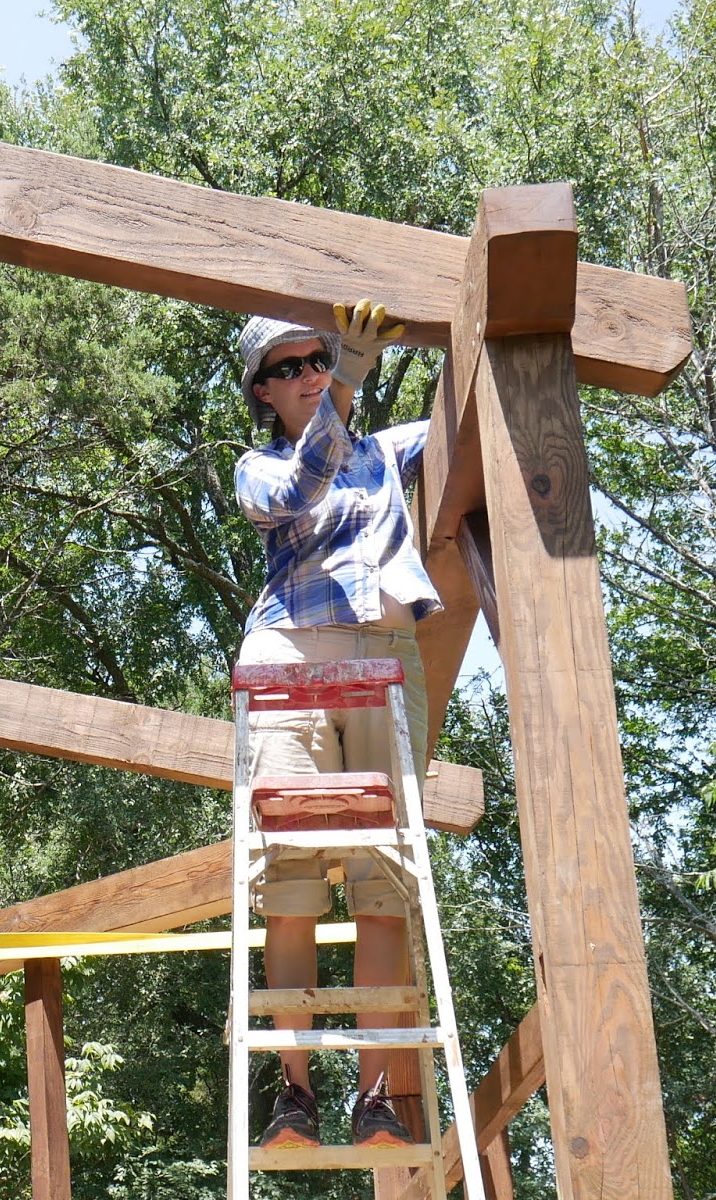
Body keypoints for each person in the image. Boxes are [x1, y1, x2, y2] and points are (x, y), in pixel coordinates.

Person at [233, 299, 439, 1148]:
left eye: (319, 356)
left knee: (384, 874)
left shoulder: (388, 452)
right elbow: (298, 486)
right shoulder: (257, 466)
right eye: (288, 367)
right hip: (290, 653)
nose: (310, 372)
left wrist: (442, 320)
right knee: (291, 871)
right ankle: (294, 1095)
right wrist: (348, 383)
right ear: (263, 393)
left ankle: (378, 1096)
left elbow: (471, 415)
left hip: (387, 650)